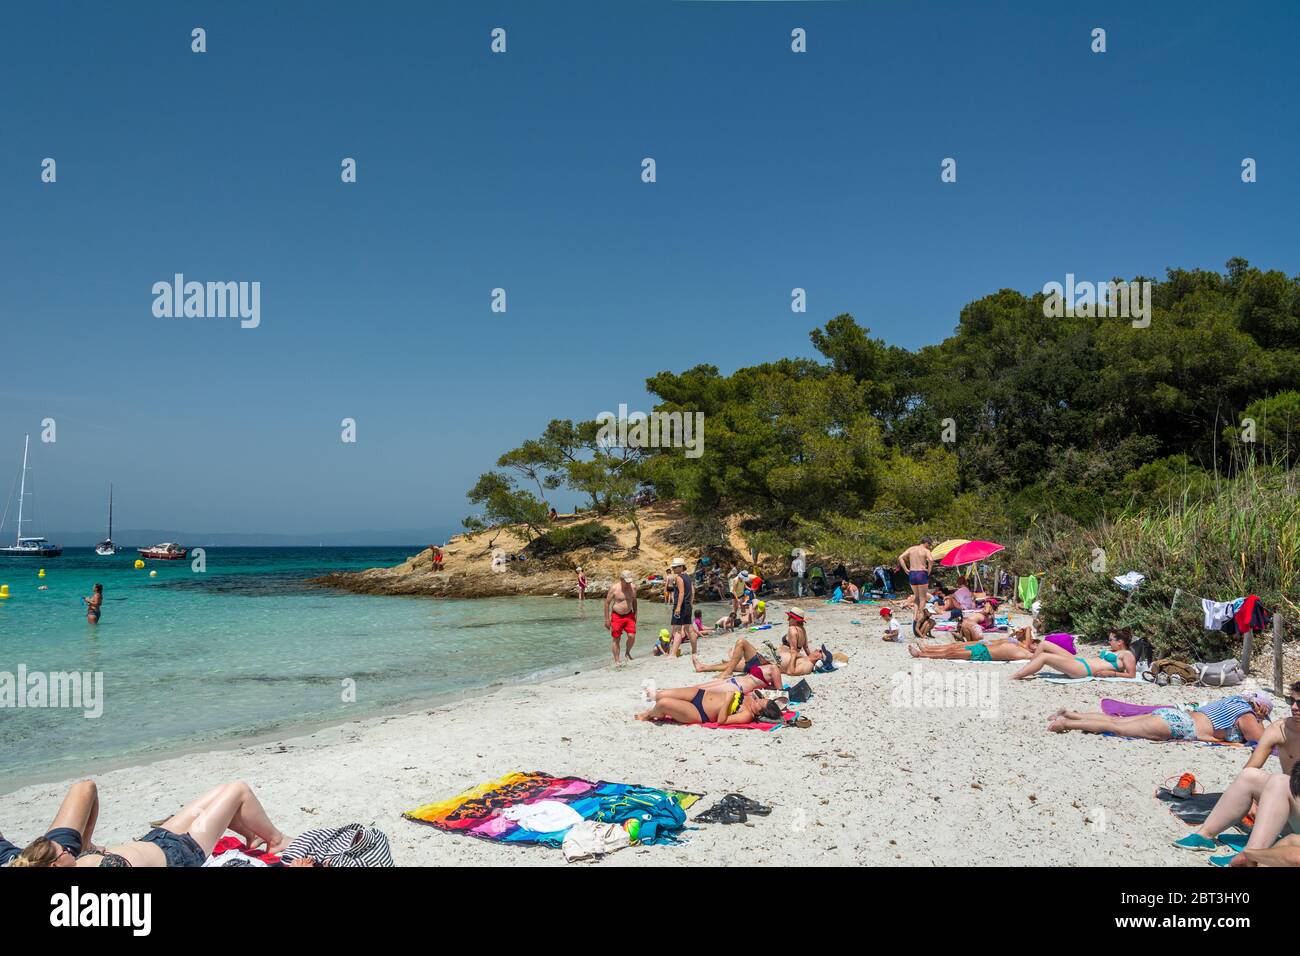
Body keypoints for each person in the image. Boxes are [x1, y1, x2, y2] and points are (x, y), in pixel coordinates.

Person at [75, 780, 288, 867]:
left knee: (220, 794)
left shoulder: (70, 860)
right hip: (182, 854)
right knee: (239, 789)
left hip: (158, 838)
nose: (67, 849)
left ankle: (254, 836)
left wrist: (91, 846)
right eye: (62, 852)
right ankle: (276, 840)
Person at [1047, 691, 1272, 743]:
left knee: (1116, 722)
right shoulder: (1246, 714)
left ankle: (1071, 714)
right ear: (1260, 708)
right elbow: (1260, 739)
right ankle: (1067, 722)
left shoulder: (1231, 701)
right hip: (1180, 726)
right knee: (1117, 728)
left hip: (1175, 716)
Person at [3, 780, 101, 867]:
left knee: (85, 787)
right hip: (50, 855)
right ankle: (84, 846)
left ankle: (83, 846)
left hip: (32, 856)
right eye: (64, 848)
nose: (66, 849)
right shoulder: (63, 855)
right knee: (85, 787)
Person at [1012, 627, 1137, 680]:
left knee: (1045, 657)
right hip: (1080, 661)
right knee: (1044, 644)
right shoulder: (1114, 651)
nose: (1109, 642)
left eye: (1111, 640)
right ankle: (1030, 667)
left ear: (1120, 642)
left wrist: (1112, 673)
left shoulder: (1127, 654)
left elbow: (1132, 675)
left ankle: (1016, 676)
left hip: (1083, 670)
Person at [636, 687, 782, 726]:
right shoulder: (751, 699)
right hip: (700, 695)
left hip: (699, 713)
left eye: (760, 705)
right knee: (660, 695)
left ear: (760, 713)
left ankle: (650, 714)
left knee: (663, 703)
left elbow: (722, 721)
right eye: (761, 700)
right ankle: (658, 708)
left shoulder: (747, 715)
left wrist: (728, 700)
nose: (757, 701)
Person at [909, 626, 1040, 662]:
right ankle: (927, 649)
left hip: (985, 654)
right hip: (984, 646)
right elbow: (1027, 632)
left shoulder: (1027, 651)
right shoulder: (1021, 644)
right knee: (953, 648)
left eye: (1036, 644)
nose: (1033, 642)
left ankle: (921, 654)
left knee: (952, 653)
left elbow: (1029, 629)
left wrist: (1028, 631)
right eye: (1035, 641)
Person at [604, 570, 638, 666]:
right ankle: (617, 660)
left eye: (629, 582)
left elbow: (634, 601)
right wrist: (607, 619)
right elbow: (607, 603)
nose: (628, 584)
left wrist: (635, 614)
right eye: (626, 582)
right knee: (616, 638)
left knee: (632, 636)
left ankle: (627, 653)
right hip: (617, 616)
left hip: (629, 615)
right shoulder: (614, 588)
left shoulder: (633, 587)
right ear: (621, 579)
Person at [897, 537, 934, 624]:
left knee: (916, 597)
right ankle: (920, 616)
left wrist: (906, 569)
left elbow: (900, 558)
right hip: (921, 573)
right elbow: (931, 560)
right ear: (926, 543)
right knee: (923, 598)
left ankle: (914, 617)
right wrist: (929, 570)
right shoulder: (925, 550)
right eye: (930, 545)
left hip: (912, 573)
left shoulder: (911, 549)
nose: (929, 547)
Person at [667, 557, 695, 657]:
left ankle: (673, 654)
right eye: (673, 567)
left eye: (675, 567)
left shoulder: (678, 578)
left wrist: (678, 607)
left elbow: (681, 593)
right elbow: (692, 591)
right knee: (689, 629)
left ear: (681, 567)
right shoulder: (688, 577)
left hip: (681, 606)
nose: (673, 569)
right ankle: (694, 651)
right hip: (687, 605)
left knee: (678, 630)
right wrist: (691, 602)